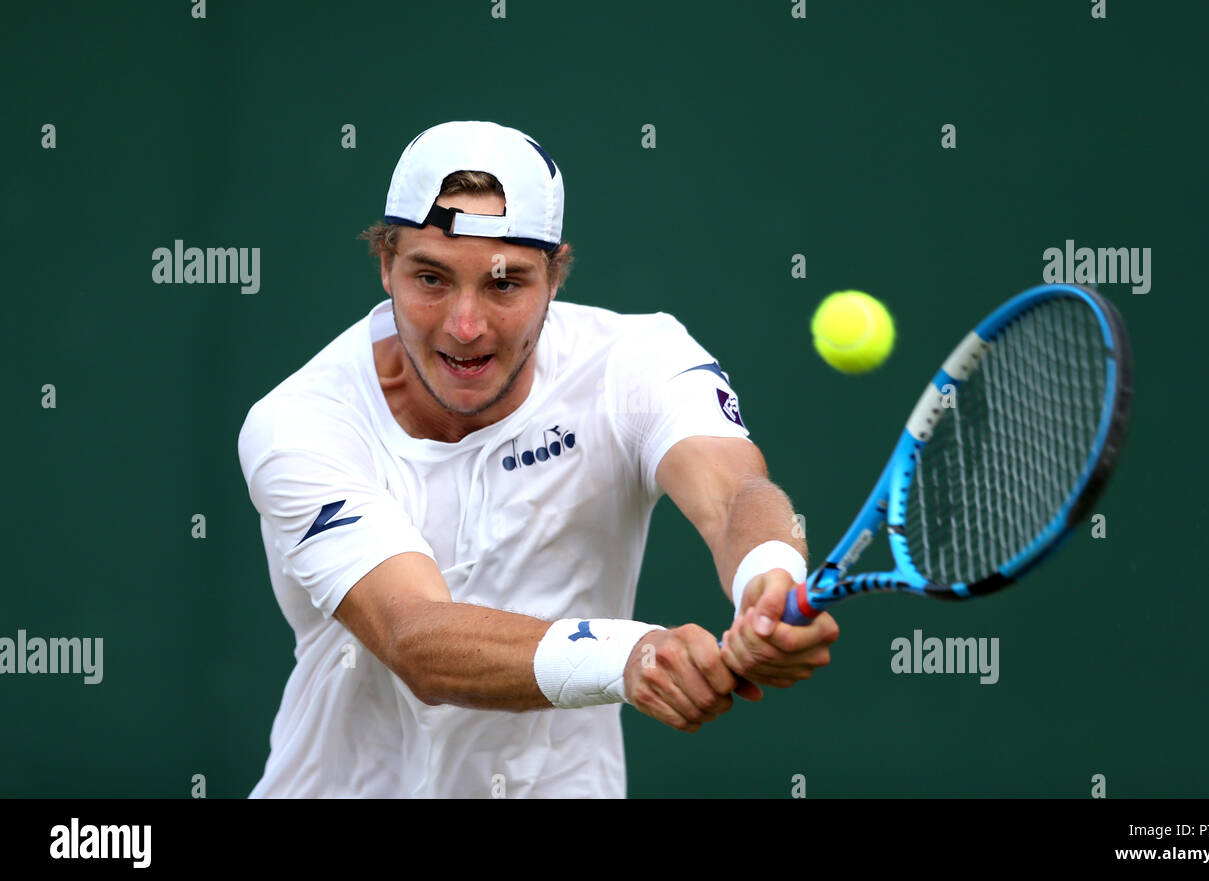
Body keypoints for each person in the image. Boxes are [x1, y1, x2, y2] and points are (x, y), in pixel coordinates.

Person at [237, 120, 839, 798]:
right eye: (430, 278)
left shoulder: (636, 362)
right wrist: (630, 657)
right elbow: (417, 637)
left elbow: (734, 492)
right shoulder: (301, 423)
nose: (465, 326)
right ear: (385, 265)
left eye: (504, 285)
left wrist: (769, 576)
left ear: (554, 275)